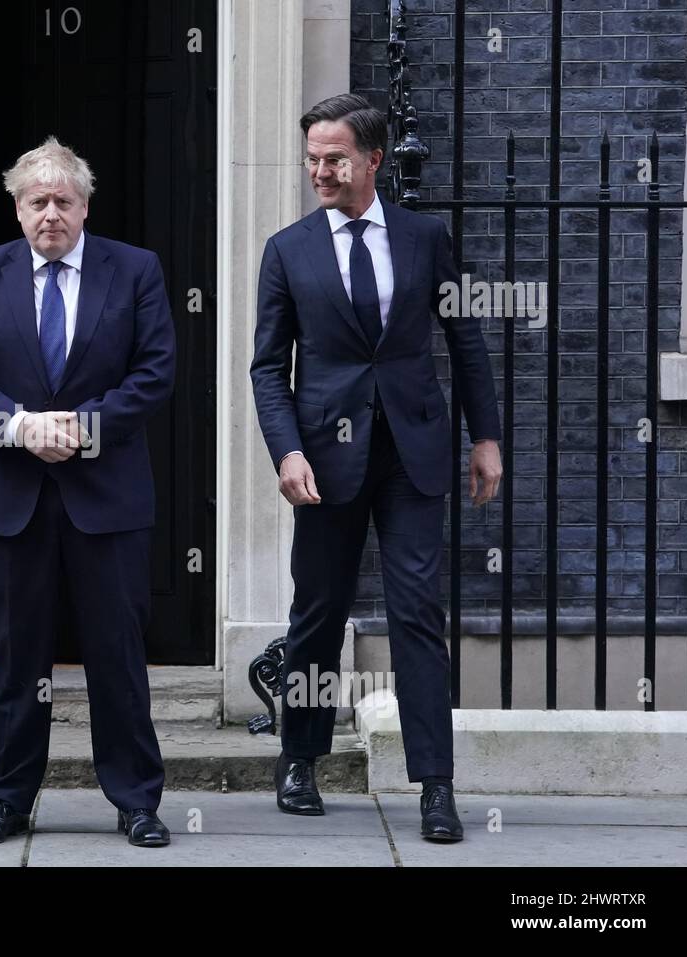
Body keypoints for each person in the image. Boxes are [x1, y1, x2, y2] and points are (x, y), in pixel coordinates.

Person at [251, 94, 502, 842]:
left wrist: (484, 437)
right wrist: (287, 449)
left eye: (333, 158)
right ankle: (299, 758)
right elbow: (268, 368)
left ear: (373, 160)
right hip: (324, 455)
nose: (319, 171)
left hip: (412, 451)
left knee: (418, 612)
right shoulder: (286, 249)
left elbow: (466, 340)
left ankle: (435, 783)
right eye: (312, 158)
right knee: (318, 612)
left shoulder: (426, 237)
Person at [0, 136, 177, 847]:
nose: (50, 214)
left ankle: (136, 800)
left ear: (84, 206)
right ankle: (7, 798)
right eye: (36, 201)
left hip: (108, 499)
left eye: (62, 201)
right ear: (16, 210)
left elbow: (156, 370)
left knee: (117, 654)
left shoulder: (134, 270)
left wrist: (84, 427)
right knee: (18, 657)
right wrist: (16, 426)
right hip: (11, 499)